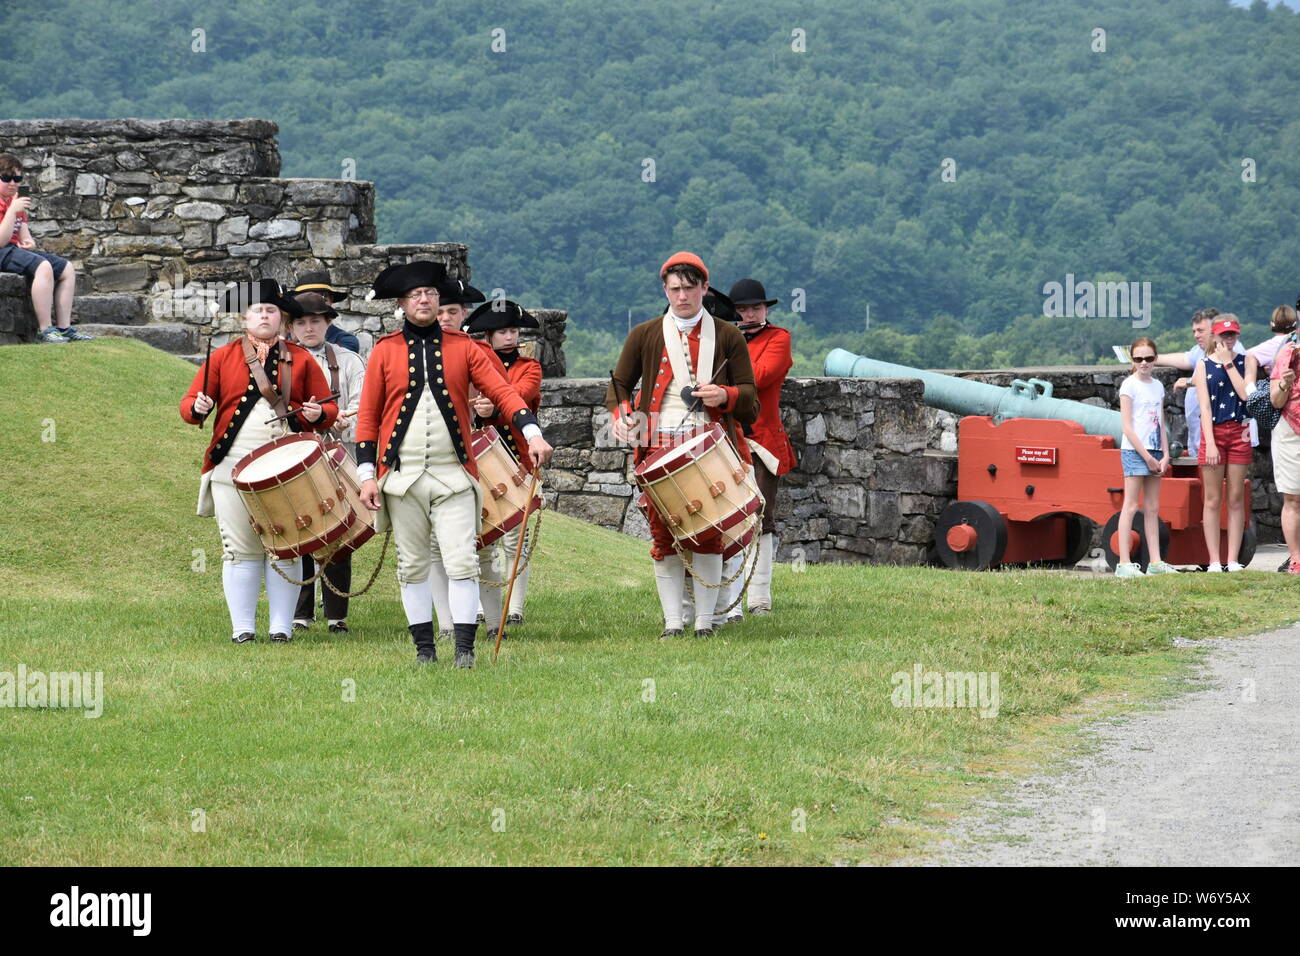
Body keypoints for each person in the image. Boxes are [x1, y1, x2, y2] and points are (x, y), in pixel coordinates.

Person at [354, 262, 553, 667]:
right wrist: (366, 474)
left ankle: (465, 649)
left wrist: (532, 432)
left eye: (430, 293)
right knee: (411, 566)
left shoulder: (465, 348)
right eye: (415, 295)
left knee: (461, 561)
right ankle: (424, 651)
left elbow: (502, 392)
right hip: (401, 477)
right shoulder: (384, 350)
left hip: (454, 475)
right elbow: (368, 417)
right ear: (402, 304)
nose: (424, 300)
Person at [606, 252, 758, 639]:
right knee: (663, 534)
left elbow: (750, 399)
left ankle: (705, 623)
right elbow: (619, 384)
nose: (682, 296)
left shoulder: (727, 334)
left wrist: (723, 395)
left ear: (705, 288)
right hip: (656, 446)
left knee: (708, 533)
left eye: (690, 288)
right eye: (675, 289)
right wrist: (621, 414)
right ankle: (674, 622)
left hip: (710, 447)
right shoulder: (645, 333)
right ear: (665, 290)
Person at [178, 279, 338, 643]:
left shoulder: (301, 359)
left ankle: (281, 627)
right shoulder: (221, 357)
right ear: (244, 318)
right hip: (231, 467)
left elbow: (329, 408)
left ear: (281, 319)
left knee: (286, 547)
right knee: (240, 550)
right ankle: (243, 629)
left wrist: (315, 414)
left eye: (270, 311)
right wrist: (198, 407)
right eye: (256, 310)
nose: (264, 316)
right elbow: (189, 405)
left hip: (288, 471)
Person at [287, 292, 367, 634]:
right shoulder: (280, 362)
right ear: (290, 326)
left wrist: (343, 418)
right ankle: (300, 613)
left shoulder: (349, 361)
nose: (308, 328)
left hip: (337, 456)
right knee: (299, 529)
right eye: (301, 322)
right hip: (294, 458)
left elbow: (365, 406)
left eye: (315, 321)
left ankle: (337, 614)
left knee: (338, 531)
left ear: (328, 323)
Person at [464, 299, 544, 636]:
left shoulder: (530, 367)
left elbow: (520, 397)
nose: (510, 337)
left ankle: (515, 607)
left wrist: (489, 406)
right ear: (490, 336)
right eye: (503, 332)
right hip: (481, 460)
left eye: (514, 331)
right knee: (482, 536)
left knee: (516, 537)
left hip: (517, 459)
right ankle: (486, 606)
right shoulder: (474, 363)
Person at [727, 277, 798, 616]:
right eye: (742, 309)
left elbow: (758, 377)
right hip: (726, 440)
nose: (750, 314)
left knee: (761, 518)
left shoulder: (779, 338)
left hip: (763, 440)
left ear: (765, 309)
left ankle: (759, 598)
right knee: (725, 520)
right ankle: (730, 599)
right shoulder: (724, 338)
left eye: (755, 308)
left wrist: (722, 376)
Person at [0, 153, 91, 343]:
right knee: (44, 267)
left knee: (66, 268)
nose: (12, 183)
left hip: (12, 250)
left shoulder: (16, 202)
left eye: (17, 178)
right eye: (6, 178)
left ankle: (64, 328)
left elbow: (24, 235)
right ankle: (45, 330)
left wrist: (29, 242)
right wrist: (11, 211)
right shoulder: (9, 204)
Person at [1193, 315, 1252, 572]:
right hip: (1214, 431)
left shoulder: (1245, 361)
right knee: (1213, 499)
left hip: (1240, 431)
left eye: (1233, 335)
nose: (1229, 339)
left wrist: (1229, 365)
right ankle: (1214, 560)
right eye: (1225, 335)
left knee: (1236, 497)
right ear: (1215, 336)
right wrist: (1211, 443)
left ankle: (1233, 560)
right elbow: (1204, 407)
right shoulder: (1203, 365)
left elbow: (1244, 394)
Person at [1114, 338, 1178, 578]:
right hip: (1134, 450)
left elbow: (1160, 422)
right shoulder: (1129, 386)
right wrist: (1147, 457)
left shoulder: (1157, 386)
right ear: (1133, 360)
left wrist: (1164, 454)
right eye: (1139, 358)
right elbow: (1127, 427)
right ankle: (1123, 563)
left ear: (1155, 359)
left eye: (1149, 358)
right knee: (1130, 505)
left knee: (1152, 507)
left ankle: (1155, 562)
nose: (1144, 363)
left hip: (1155, 450)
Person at [1155, 307, 1248, 456]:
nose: (1196, 335)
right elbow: (1185, 358)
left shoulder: (1235, 350)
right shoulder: (1201, 350)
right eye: (1194, 331)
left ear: (1214, 331)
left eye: (1200, 330)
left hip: (1222, 431)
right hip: (1199, 432)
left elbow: (1223, 379)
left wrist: (1190, 381)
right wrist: (1151, 358)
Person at [1268, 329, 1300, 573]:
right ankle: (1296, 560)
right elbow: (1276, 400)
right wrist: (1284, 383)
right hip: (1291, 430)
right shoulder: (1288, 351)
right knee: (1293, 498)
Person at [289, 270, 360, 353]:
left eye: (321, 299)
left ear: (331, 300)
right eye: (307, 300)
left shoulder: (345, 340)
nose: (314, 305)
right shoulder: (282, 339)